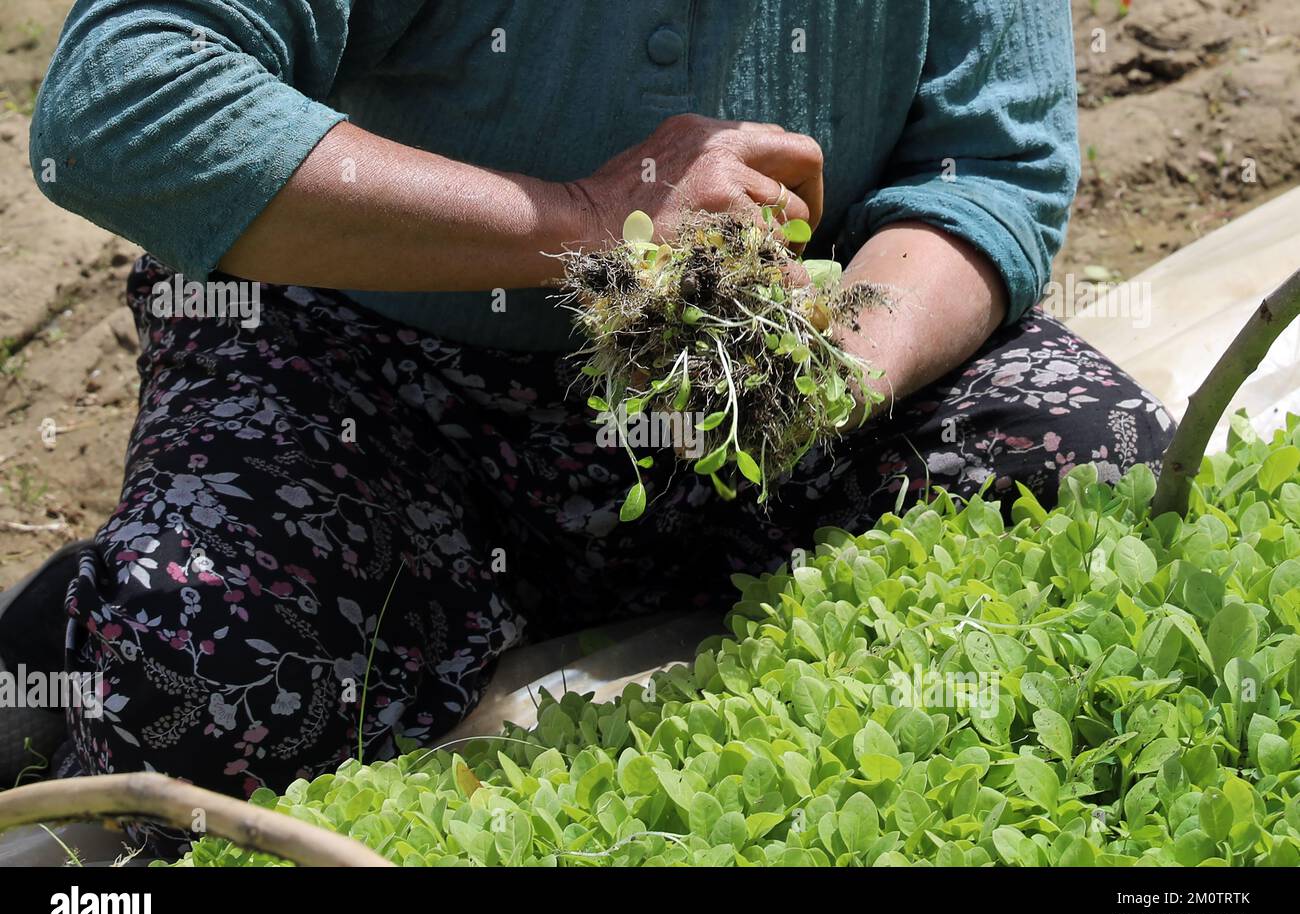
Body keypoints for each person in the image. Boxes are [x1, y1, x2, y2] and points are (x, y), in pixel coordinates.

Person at [2, 0, 1171, 852]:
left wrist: (846, 362)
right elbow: (120, 100)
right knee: (194, 669)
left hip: (746, 379)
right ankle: (80, 625)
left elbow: (993, 167)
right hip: (363, 375)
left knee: (1102, 485)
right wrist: (582, 220)